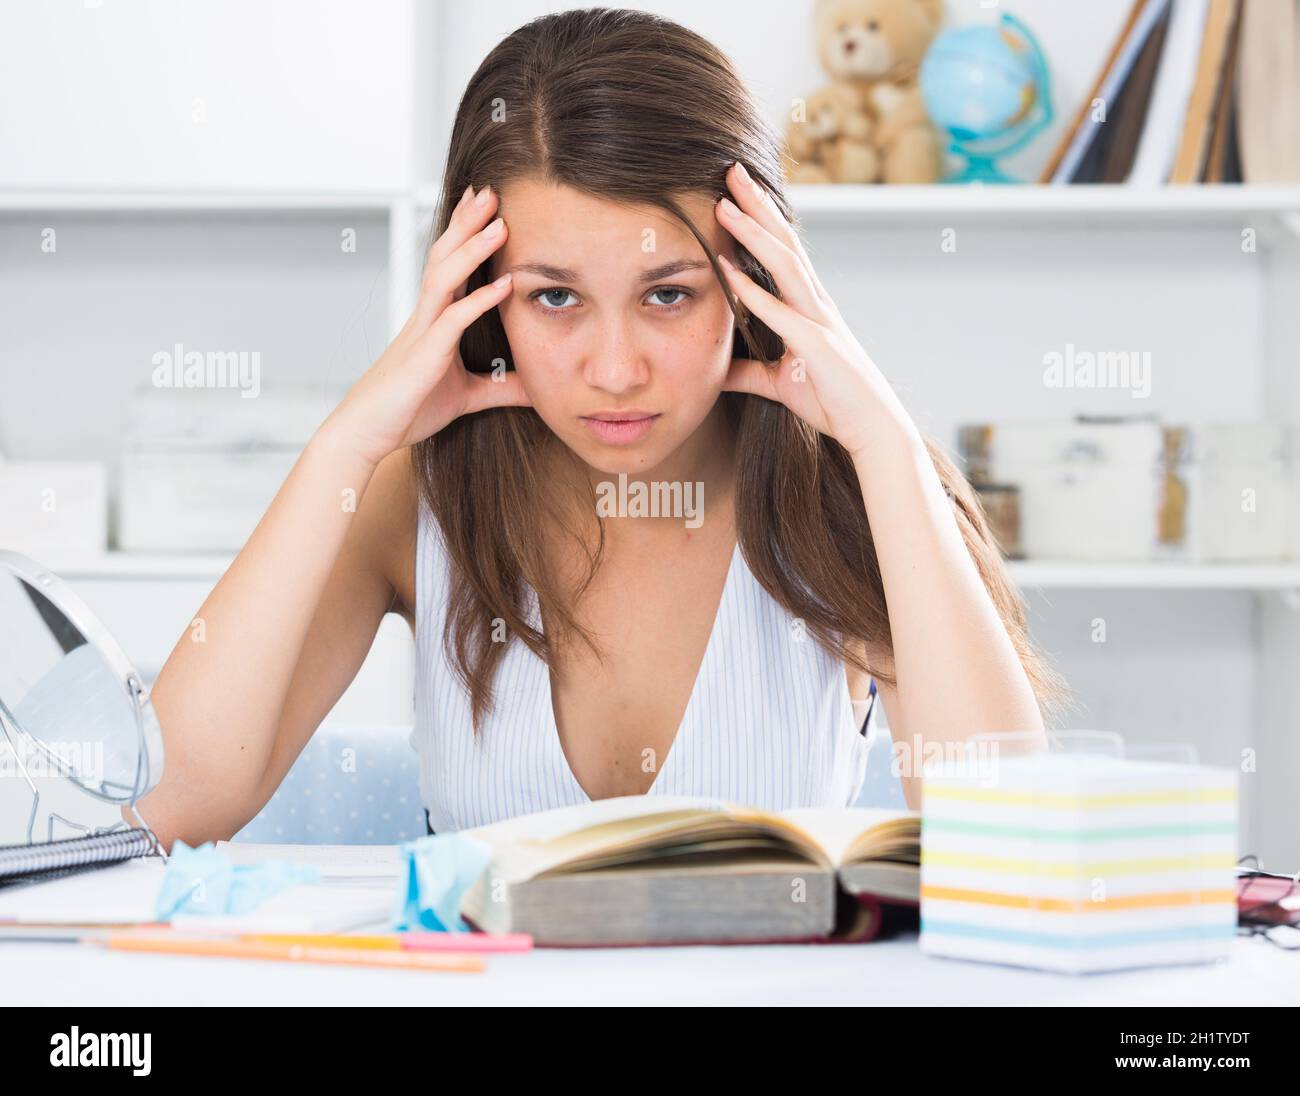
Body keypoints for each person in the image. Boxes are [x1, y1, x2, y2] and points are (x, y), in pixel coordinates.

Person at [130, 7, 1064, 850]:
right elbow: (167, 806)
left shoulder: (847, 491)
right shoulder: (411, 492)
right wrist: (345, 444)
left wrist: (887, 448)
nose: (615, 369)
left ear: (755, 281)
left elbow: (1009, 843)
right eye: (555, 297)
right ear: (478, 298)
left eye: (668, 293)